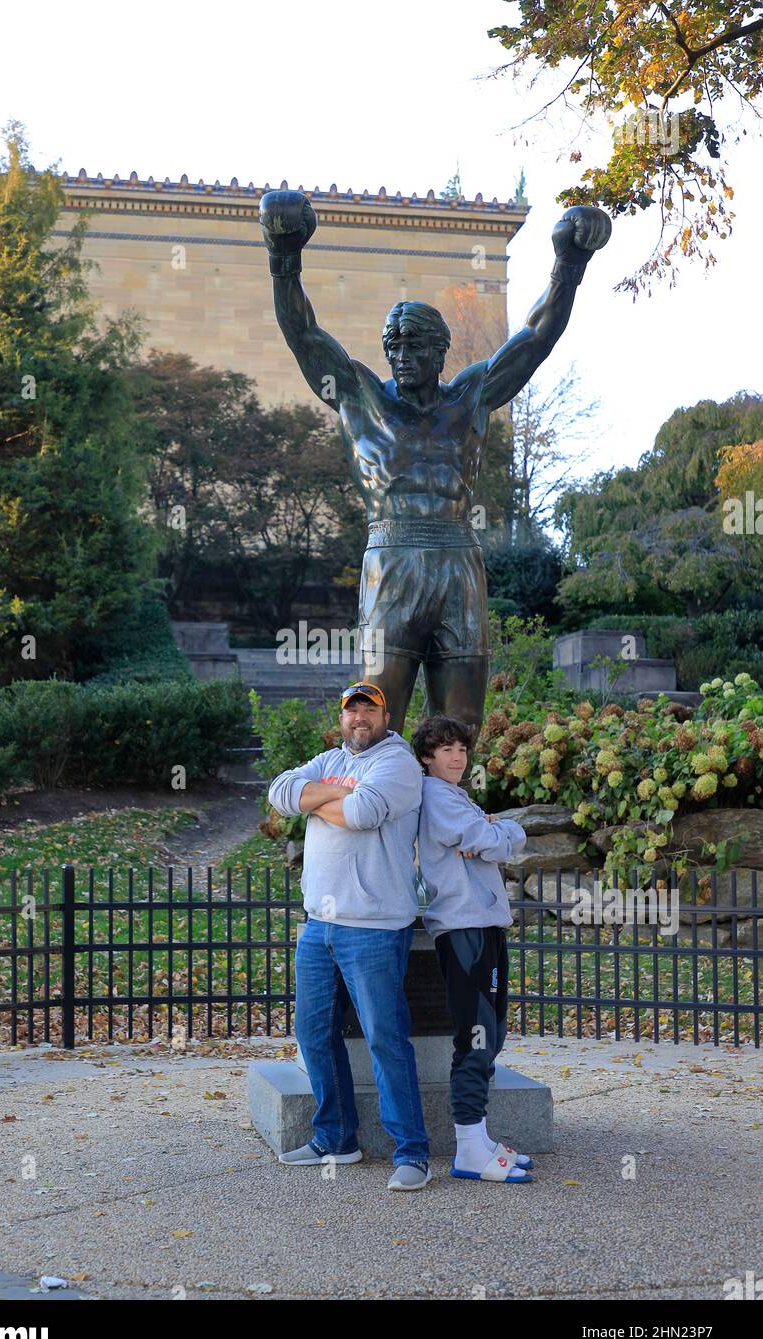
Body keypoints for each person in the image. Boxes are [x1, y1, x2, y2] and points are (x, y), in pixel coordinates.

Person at [258, 186, 611, 736]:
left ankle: (451, 821)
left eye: (414, 345)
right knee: (376, 720)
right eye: (392, 345)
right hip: (391, 559)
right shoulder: (359, 395)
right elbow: (302, 332)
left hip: (457, 563)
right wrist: (284, 256)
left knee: (460, 727)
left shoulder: (470, 396)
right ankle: (375, 820)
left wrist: (570, 262)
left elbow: (538, 336)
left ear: (441, 352)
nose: (400, 356)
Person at [267, 682, 431, 1190]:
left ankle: (413, 1153)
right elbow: (279, 794)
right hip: (320, 926)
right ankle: (337, 1138)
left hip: (375, 928)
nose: (360, 716)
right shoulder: (330, 758)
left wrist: (314, 801)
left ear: (387, 714)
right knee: (313, 1034)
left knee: (385, 1039)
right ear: (342, 718)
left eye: (370, 709)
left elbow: (363, 815)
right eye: (352, 709)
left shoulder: (399, 763)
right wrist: (338, 794)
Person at [412, 713, 533, 1183]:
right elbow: (490, 839)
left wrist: (489, 836)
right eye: (445, 750)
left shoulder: (452, 796)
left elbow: (484, 840)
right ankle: (467, 1151)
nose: (457, 756)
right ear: (427, 757)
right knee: (477, 1036)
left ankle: (478, 1139)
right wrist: (505, 833)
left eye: (461, 749)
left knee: (492, 1033)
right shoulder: (437, 795)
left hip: (482, 922)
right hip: (463, 927)